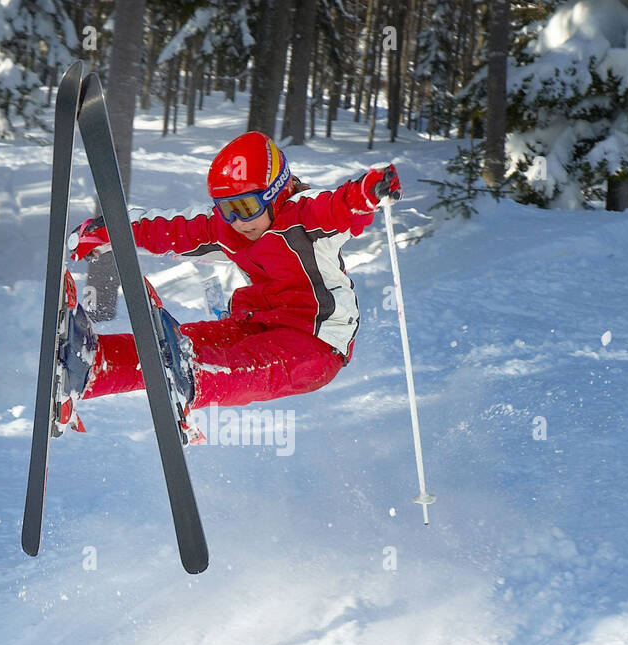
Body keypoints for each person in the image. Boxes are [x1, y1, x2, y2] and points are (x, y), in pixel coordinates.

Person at [60, 130, 401, 424]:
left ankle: (194, 377)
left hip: (316, 343)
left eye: (248, 207)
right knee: (184, 343)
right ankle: (96, 364)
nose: (238, 220)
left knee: (242, 365)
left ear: (278, 192)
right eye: (227, 208)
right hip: (256, 323)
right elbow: (175, 230)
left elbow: (340, 205)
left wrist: (368, 192)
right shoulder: (232, 230)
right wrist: (116, 233)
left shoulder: (304, 215)